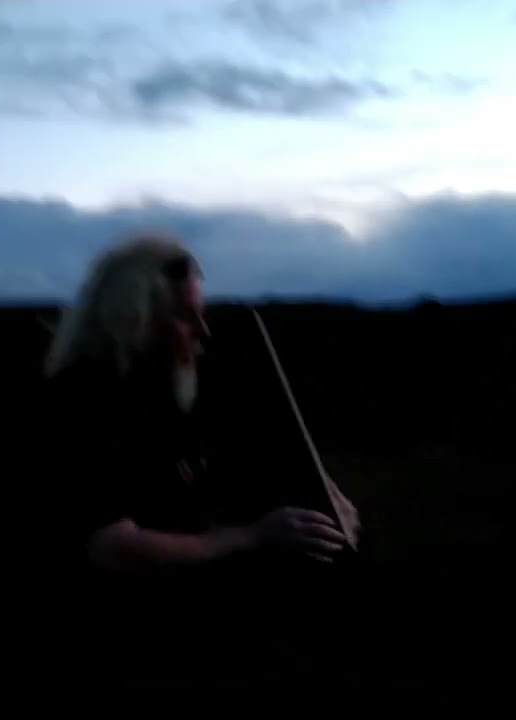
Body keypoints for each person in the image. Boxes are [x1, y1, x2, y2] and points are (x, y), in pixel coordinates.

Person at [37, 234, 365, 684]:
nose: (203, 333)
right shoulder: (86, 402)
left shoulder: (167, 389)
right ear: (137, 318)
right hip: (123, 637)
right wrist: (251, 537)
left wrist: (319, 491)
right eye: (187, 321)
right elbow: (114, 549)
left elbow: (239, 457)